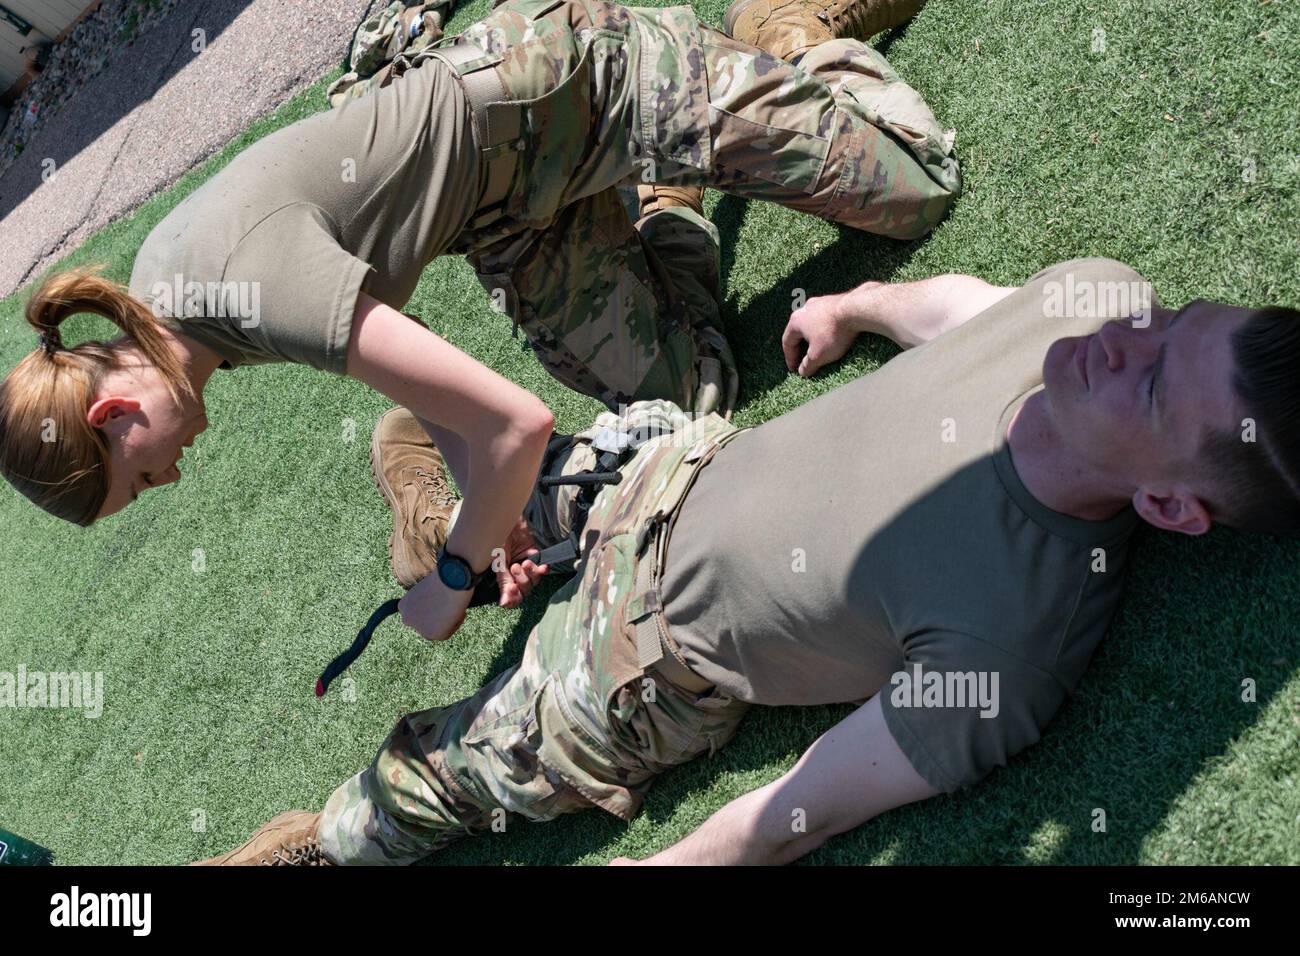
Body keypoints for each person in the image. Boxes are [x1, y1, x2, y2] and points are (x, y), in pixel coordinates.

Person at [194, 255, 1300, 864]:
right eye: (1173, 319)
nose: (1125, 337)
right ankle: (459, 542)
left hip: (648, 655)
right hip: (676, 466)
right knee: (514, 455)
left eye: (1153, 382)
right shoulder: (1103, 297)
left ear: (1167, 501)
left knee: (448, 770)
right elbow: (973, 312)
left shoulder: (1014, 638)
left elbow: (801, 805)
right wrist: (854, 304)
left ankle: (323, 847)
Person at [0, 0, 959, 640]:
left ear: (111, 416)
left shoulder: (238, 284)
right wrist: (484, 521)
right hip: (505, 212)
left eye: (138, 477)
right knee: (691, 398)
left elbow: (516, 425)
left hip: (585, 84)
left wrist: (453, 578)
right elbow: (443, 402)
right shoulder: (178, 318)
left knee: (916, 190)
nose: (165, 481)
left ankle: (790, 34)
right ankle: (666, 196)